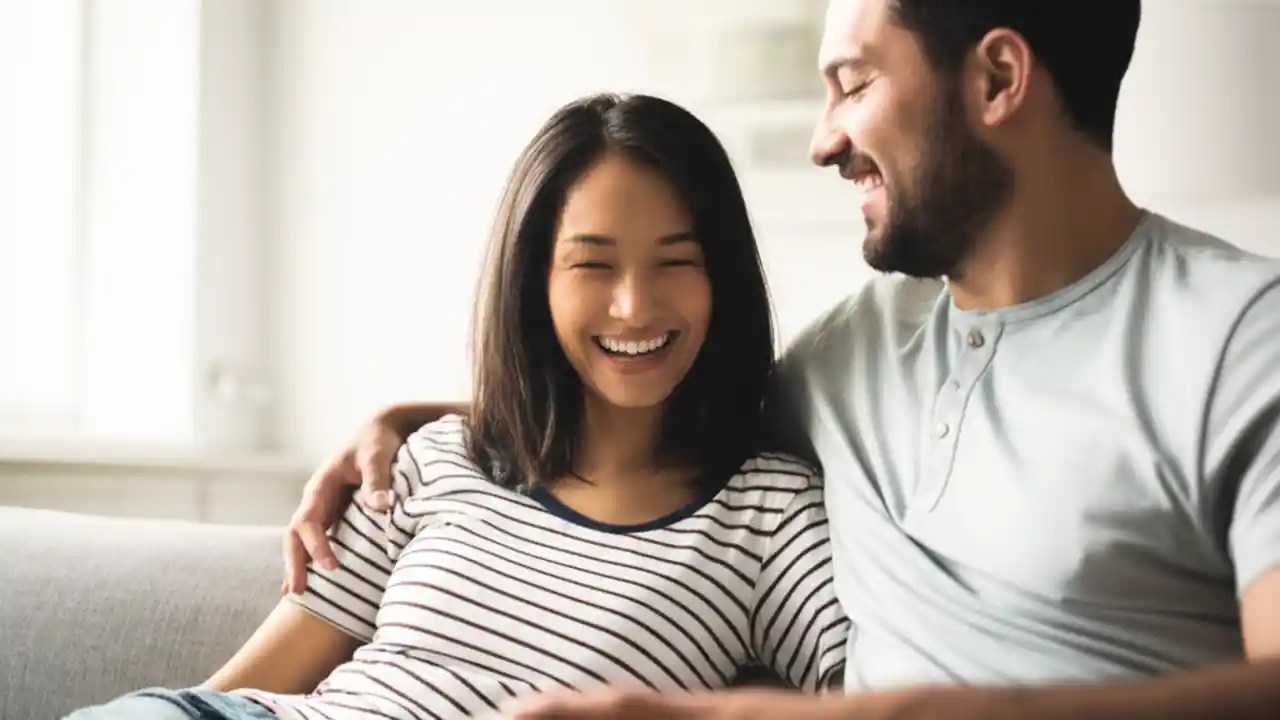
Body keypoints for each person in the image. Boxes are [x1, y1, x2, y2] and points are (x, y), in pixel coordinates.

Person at [289, 1, 1280, 718]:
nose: (822, 141)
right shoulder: (848, 355)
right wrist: (424, 420)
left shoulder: (1244, 335)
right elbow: (637, 401)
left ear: (995, 79)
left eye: (850, 84)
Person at [66, 94, 847, 719]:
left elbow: (883, 694)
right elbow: (240, 691)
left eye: (676, 262)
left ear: (724, 279)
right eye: (591, 265)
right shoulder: (438, 456)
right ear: (533, 281)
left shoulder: (766, 513)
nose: (634, 305)